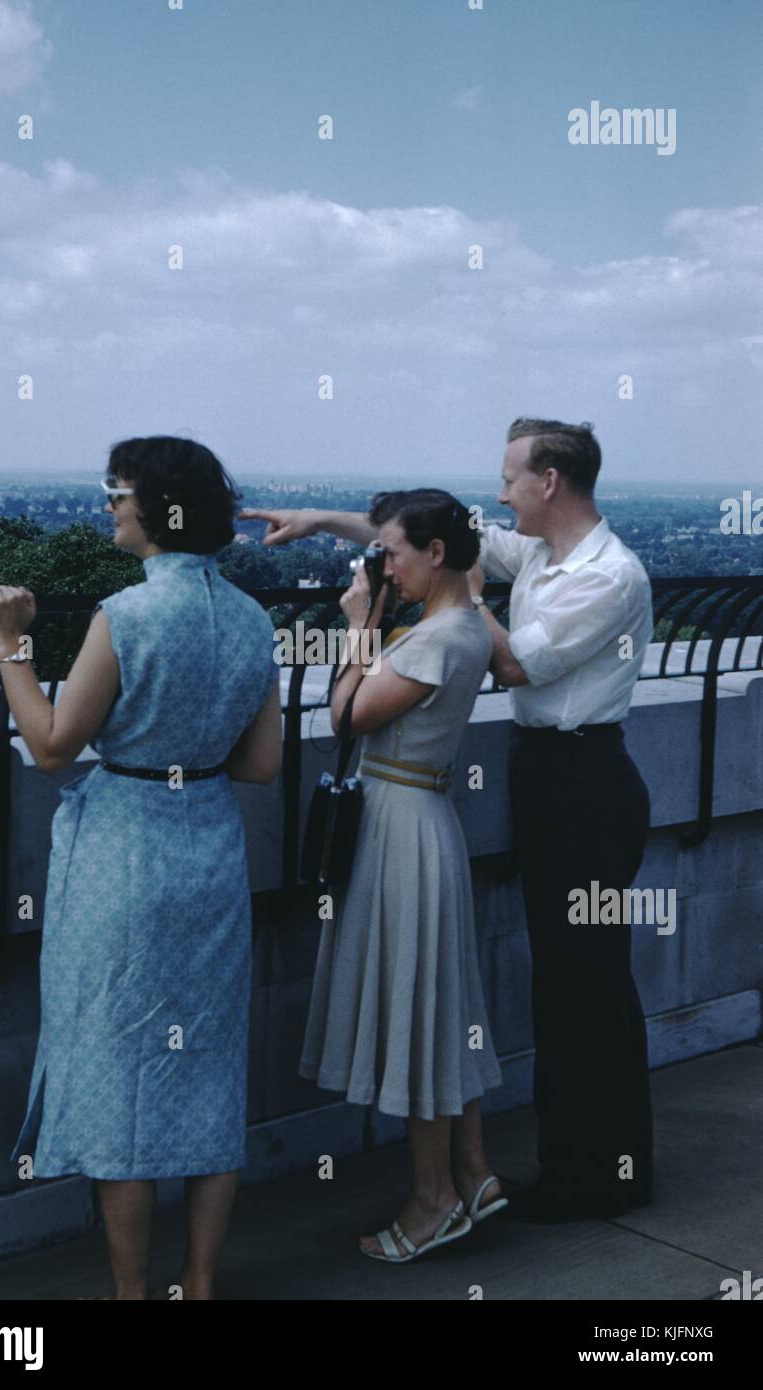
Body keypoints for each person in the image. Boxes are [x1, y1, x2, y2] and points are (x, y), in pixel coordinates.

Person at [242, 418, 654, 1223]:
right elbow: (422, 540)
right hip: (545, 772)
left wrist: (454, 585)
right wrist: (328, 523)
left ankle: (607, 1173)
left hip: (587, 780)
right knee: (560, 978)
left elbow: (516, 662)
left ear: (549, 484)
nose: (496, 495)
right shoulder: (538, 553)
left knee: (589, 979)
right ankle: (565, 1162)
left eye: (508, 479)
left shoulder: (610, 577)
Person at [0, 436, 281, 1300]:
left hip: (124, 856)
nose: (108, 505)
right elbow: (260, 766)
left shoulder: (128, 614)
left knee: (123, 1076)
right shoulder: (253, 619)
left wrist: (11, 643)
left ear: (156, 509)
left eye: (116, 492)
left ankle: (130, 1295)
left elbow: (49, 746)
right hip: (210, 856)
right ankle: (199, 1280)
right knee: (208, 1069)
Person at [298, 489, 506, 1263]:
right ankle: (475, 1174)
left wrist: (358, 627)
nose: (382, 564)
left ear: (436, 553)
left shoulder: (435, 640)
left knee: (416, 1015)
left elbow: (344, 717)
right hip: (422, 818)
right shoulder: (464, 626)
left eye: (392, 552)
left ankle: (433, 1201)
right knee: (441, 1005)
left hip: (400, 827)